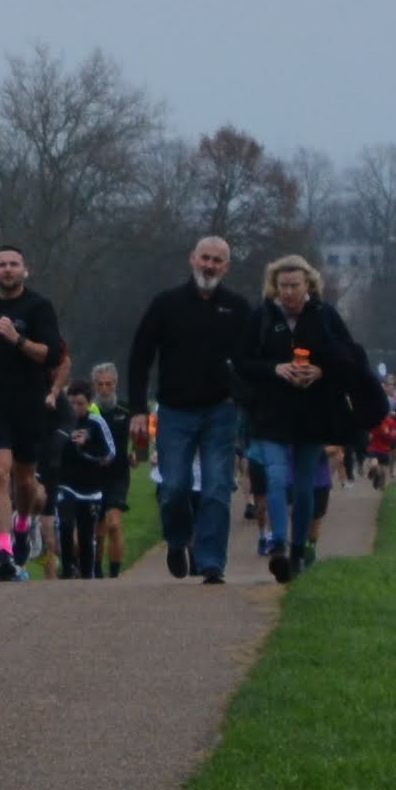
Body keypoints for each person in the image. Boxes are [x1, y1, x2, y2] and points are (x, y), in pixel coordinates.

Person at [121, 235, 253, 583]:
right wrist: (138, 408)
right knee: (175, 487)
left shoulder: (238, 308)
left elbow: (252, 359)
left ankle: (211, 562)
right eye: (205, 258)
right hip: (175, 411)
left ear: (226, 267)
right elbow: (140, 355)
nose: (209, 266)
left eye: (217, 261)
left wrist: (239, 394)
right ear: (193, 258)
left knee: (216, 488)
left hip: (220, 412)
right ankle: (178, 540)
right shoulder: (167, 303)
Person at [234, 254, 374, 583]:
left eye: (294, 285)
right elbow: (242, 361)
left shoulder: (325, 316)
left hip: (313, 413)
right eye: (282, 285)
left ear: (308, 284)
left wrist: (321, 370)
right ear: (274, 286)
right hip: (271, 413)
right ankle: (279, 546)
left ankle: (298, 550)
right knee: (277, 478)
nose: (288, 292)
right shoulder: (262, 317)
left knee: (305, 485)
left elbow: (350, 356)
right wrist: (275, 368)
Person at [0, 245, 65, 579]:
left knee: (25, 479)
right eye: (2, 264)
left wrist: (17, 339)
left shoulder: (39, 307)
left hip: (29, 403)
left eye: (13, 264)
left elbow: (51, 355)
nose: (7, 269)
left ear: (25, 270)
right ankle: (4, 551)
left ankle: (22, 524)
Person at [47, 381, 123, 578]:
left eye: (80, 403)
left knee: (86, 534)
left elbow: (109, 454)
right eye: (71, 403)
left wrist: (86, 445)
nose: (75, 408)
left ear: (89, 404)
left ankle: (88, 575)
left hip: (91, 487)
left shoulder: (96, 423)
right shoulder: (60, 420)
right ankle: (68, 569)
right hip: (65, 483)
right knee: (65, 525)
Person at [85, 362, 137, 574]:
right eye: (100, 385)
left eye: (109, 384)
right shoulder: (89, 412)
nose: (105, 389)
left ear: (116, 384)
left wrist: (136, 454)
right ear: (94, 386)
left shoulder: (125, 410)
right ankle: (97, 571)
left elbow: (140, 436)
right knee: (98, 532)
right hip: (94, 476)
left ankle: (115, 574)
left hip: (118, 475)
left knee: (113, 524)